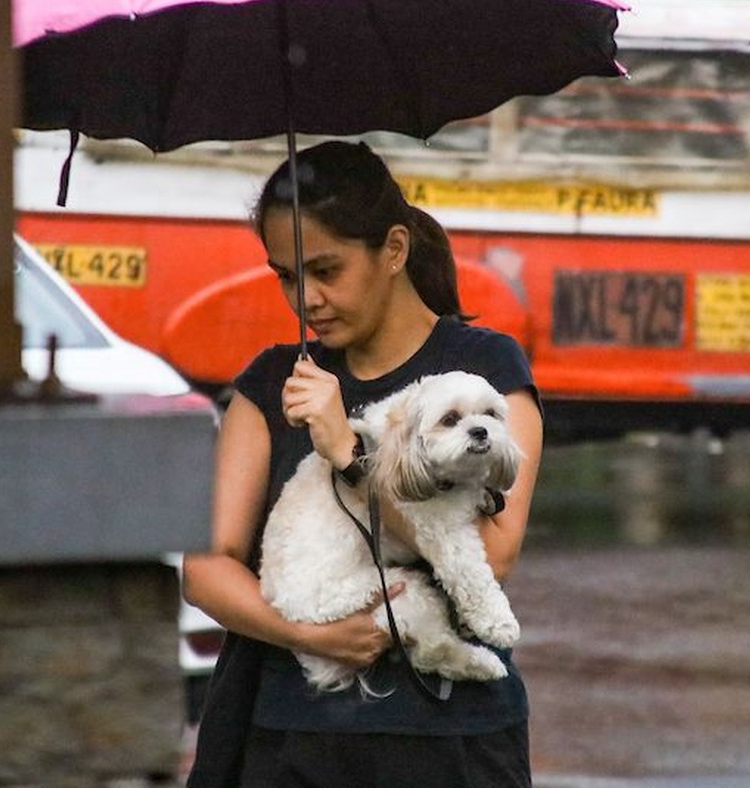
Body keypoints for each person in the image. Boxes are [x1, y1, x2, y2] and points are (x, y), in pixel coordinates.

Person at [182, 140, 543, 788]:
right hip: (294, 737)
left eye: (326, 270)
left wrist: (349, 452)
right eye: (287, 276)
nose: (307, 298)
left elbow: (493, 555)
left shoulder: (482, 373)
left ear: (394, 250)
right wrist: (308, 633)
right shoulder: (274, 385)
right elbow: (207, 568)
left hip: (449, 740)